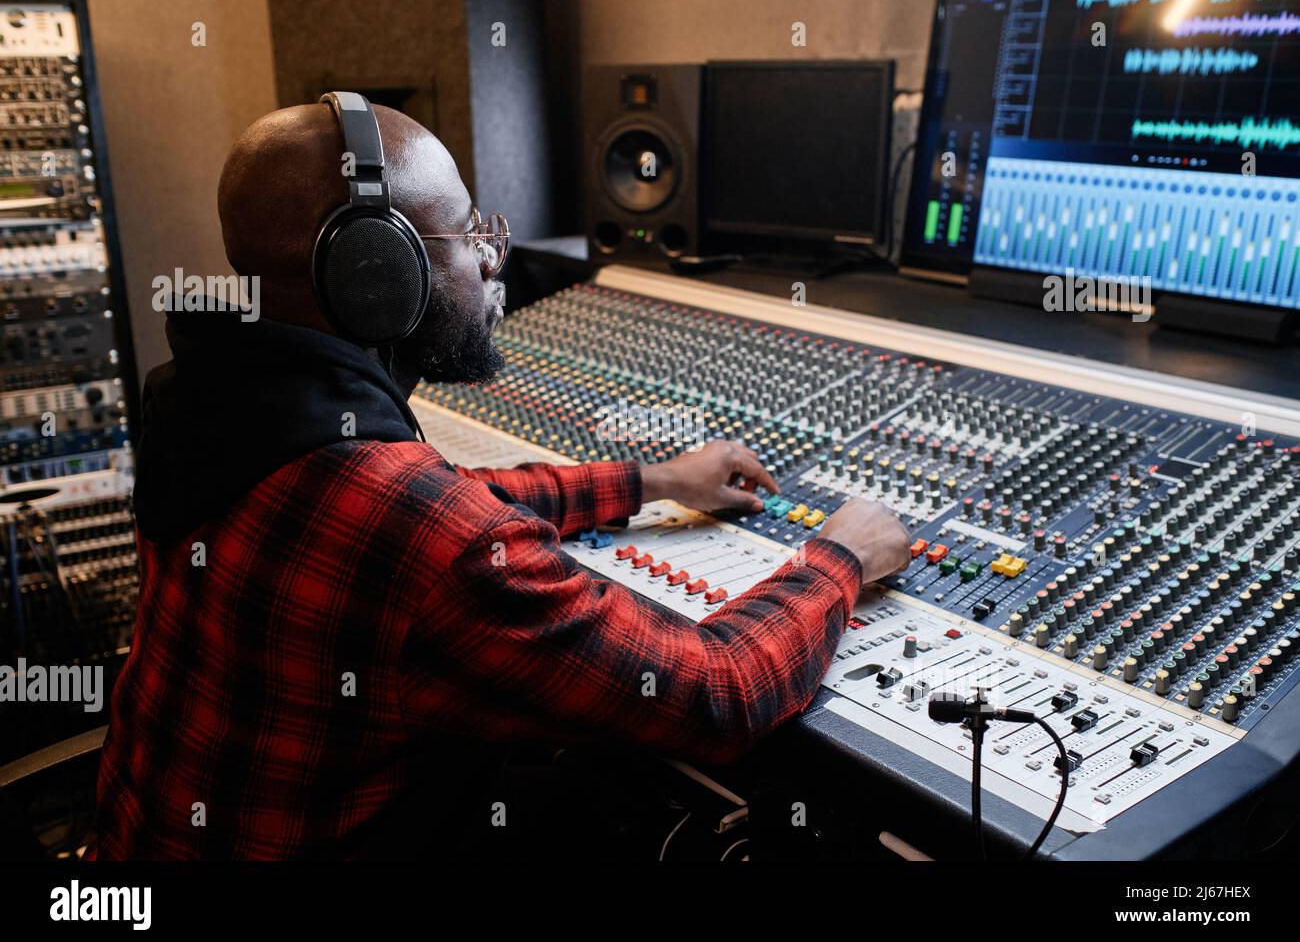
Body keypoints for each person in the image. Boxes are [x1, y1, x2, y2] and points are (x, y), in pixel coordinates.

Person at [93, 97, 910, 858]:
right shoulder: (421, 531)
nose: (493, 254)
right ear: (375, 272)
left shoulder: (213, 398)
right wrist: (835, 558)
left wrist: (653, 479)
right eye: (467, 232)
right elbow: (717, 696)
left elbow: (438, 501)